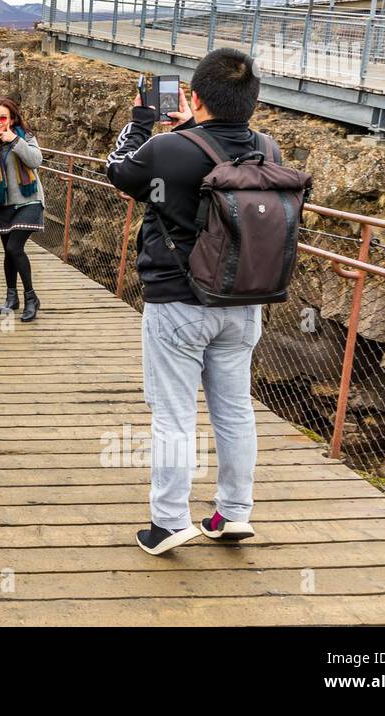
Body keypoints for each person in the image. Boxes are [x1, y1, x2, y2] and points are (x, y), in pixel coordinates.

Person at [105, 48, 275, 556]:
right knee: (235, 411)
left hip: (177, 300)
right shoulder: (270, 147)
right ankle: (233, 514)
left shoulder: (167, 148)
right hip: (245, 300)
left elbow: (119, 172)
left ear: (194, 97)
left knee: (174, 415)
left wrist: (142, 121)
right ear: (252, 101)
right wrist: (192, 128)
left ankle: (169, 522)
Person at [0, 97, 44, 322]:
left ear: (12, 119)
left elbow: (35, 161)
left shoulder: (24, 136)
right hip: (4, 203)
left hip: (29, 200)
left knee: (14, 247)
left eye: (3, 117)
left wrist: (14, 141)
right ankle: (12, 297)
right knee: (8, 252)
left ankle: (31, 297)